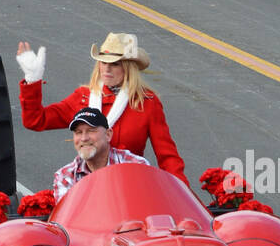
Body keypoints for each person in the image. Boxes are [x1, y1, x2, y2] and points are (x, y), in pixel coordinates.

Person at [17, 30, 189, 185]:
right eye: (102, 62)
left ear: (128, 68)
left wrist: (183, 196)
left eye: (114, 64)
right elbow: (36, 121)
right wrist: (32, 79)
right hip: (90, 188)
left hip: (131, 187)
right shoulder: (83, 97)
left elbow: (168, 157)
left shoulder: (146, 102)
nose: (106, 69)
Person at [52, 108, 150, 202]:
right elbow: (67, 217)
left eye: (91, 130)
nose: (84, 138)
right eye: (78, 132)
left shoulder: (136, 166)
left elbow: (146, 207)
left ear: (108, 135)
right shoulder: (65, 176)